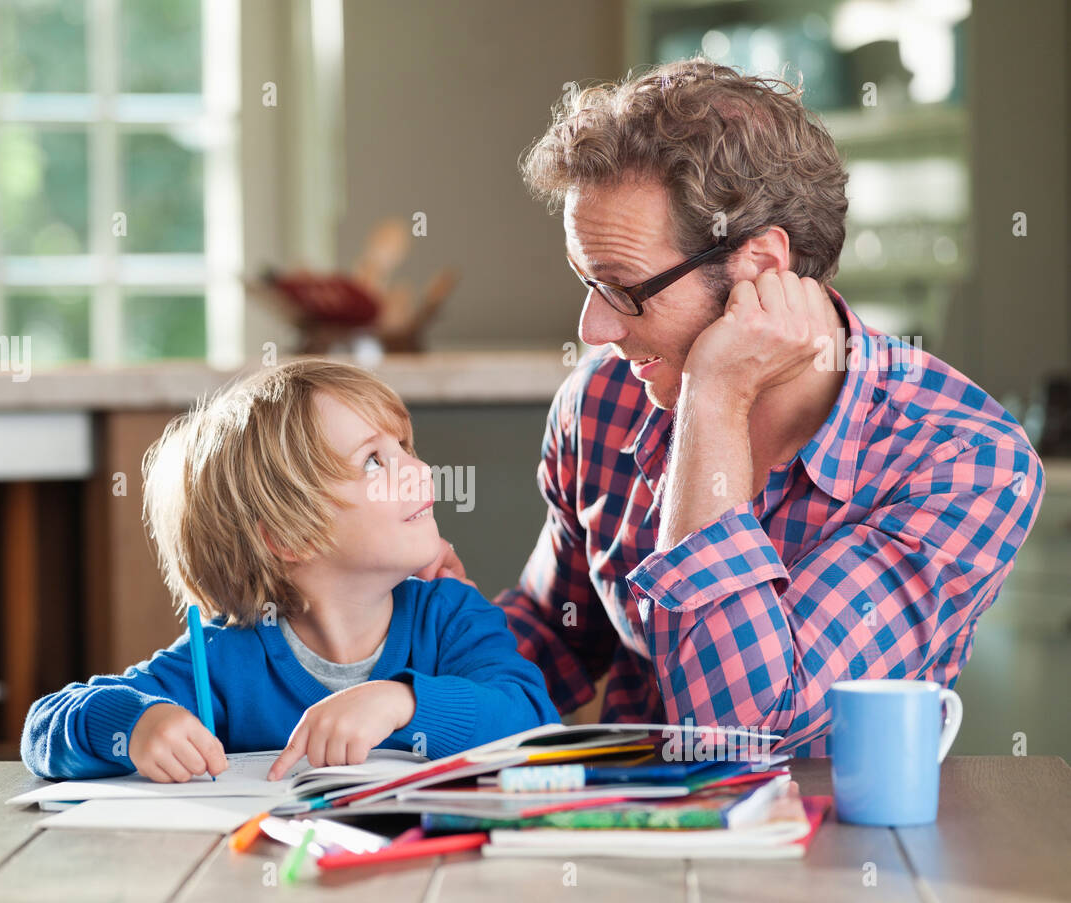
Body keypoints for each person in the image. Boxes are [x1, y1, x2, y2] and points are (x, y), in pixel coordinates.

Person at [421, 59, 1045, 757]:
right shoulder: (602, 401)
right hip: (635, 841)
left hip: (838, 854)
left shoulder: (964, 458)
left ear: (760, 268)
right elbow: (555, 635)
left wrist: (713, 403)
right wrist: (421, 632)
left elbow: (742, 729)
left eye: (625, 289)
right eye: (585, 280)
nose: (593, 330)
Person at [20, 358, 558, 782]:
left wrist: (403, 702)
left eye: (406, 448)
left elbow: (535, 725)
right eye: (374, 460)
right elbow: (43, 726)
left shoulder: (452, 616)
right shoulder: (225, 662)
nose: (418, 469)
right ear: (288, 536)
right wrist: (134, 725)